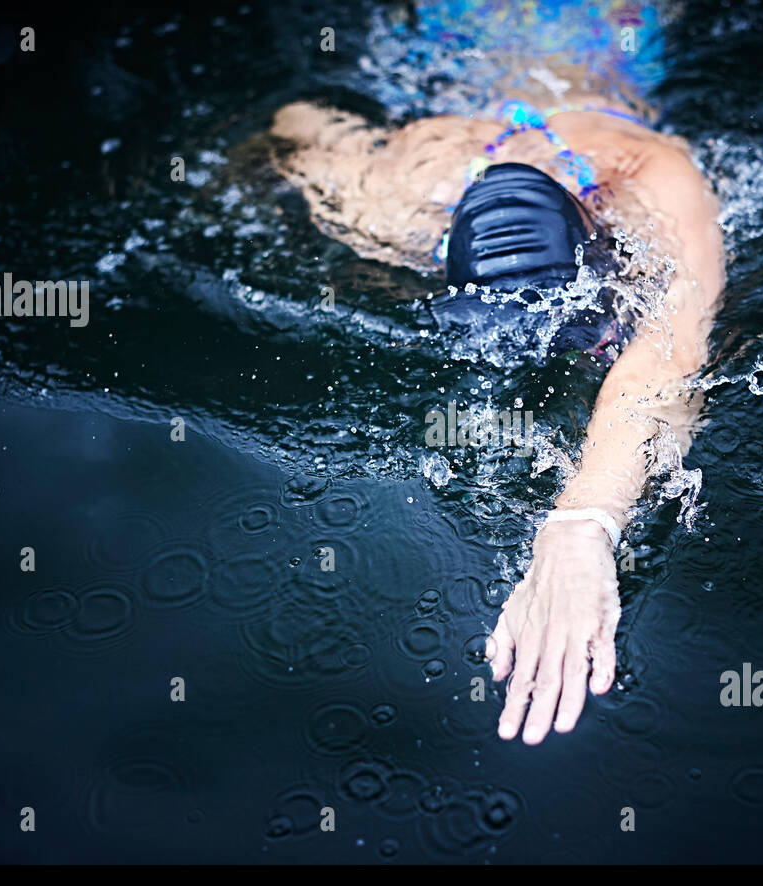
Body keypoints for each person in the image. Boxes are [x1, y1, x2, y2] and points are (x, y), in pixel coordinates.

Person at [265, 0, 724, 744]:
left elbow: (671, 355)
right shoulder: (385, 201)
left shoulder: (655, 174)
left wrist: (582, 523)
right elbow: (293, 126)